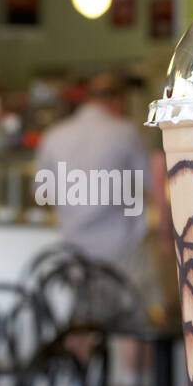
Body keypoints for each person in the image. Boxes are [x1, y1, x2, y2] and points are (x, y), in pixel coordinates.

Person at [34, 73, 157, 303]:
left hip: (75, 251)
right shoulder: (126, 133)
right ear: (118, 101)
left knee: (85, 326)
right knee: (131, 324)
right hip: (122, 251)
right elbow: (151, 185)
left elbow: (42, 194)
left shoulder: (53, 136)